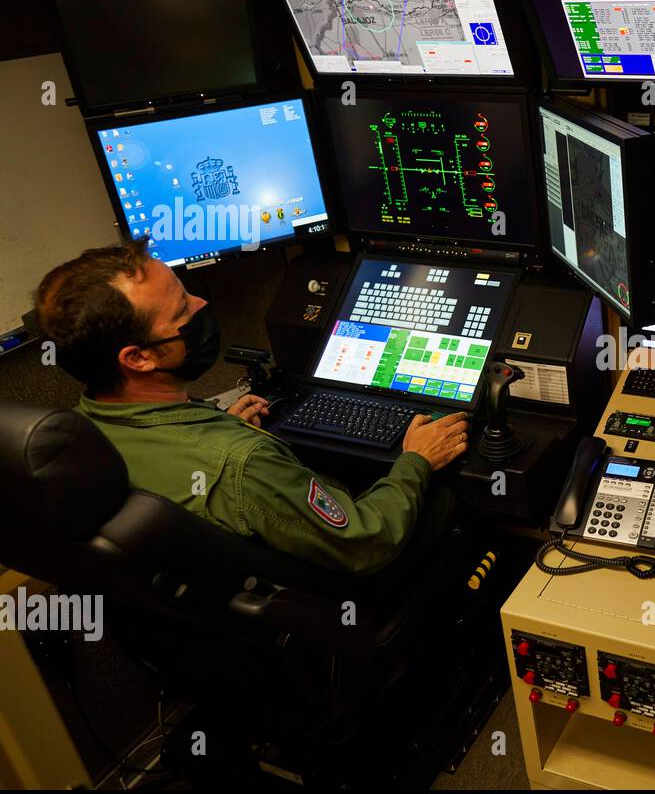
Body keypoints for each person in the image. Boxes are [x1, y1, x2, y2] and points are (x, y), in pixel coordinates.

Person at [34, 241, 467, 575]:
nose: (203, 306)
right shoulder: (244, 464)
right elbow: (368, 541)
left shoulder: (80, 433)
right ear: (138, 358)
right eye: (183, 309)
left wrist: (218, 427)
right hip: (336, 594)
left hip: (205, 622)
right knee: (448, 499)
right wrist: (415, 461)